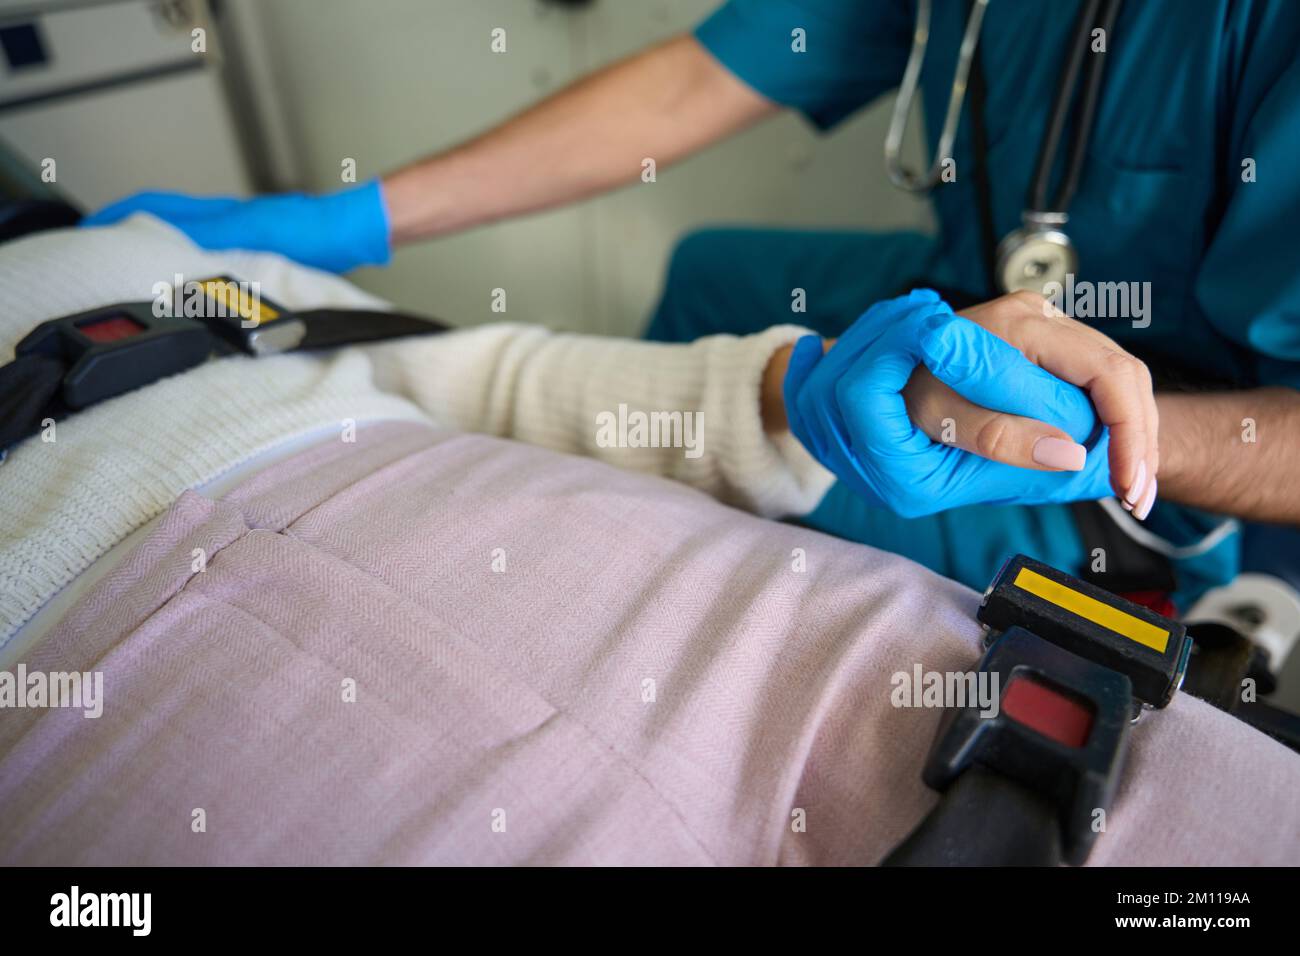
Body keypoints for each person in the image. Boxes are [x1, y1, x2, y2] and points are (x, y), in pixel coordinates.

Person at [82, 0, 1300, 604]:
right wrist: (356, 216)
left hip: (1167, 454)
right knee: (714, 268)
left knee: (751, 549)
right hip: (963, 299)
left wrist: (1103, 443)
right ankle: (661, 513)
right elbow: (686, 89)